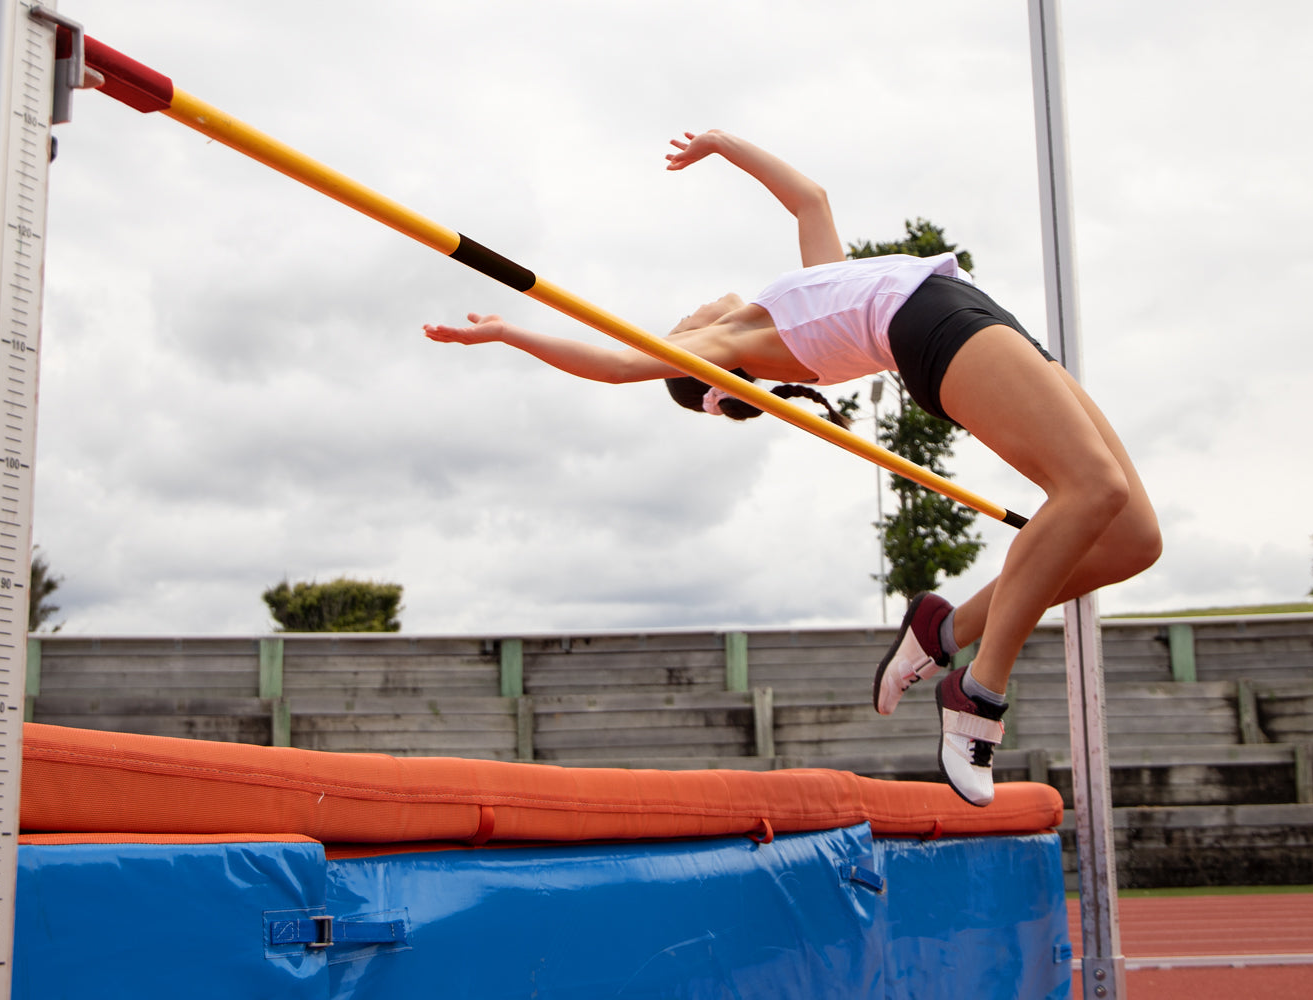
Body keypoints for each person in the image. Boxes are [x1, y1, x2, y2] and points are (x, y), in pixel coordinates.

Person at [422, 129, 1162, 806]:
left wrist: (720, 144)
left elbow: (811, 198)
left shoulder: (806, 300)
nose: (684, 311)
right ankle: (978, 692)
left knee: (1131, 537)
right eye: (679, 325)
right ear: (706, 367)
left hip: (964, 307)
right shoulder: (726, 343)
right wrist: (509, 332)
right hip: (934, 323)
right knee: (1087, 488)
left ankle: (941, 630)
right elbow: (617, 365)